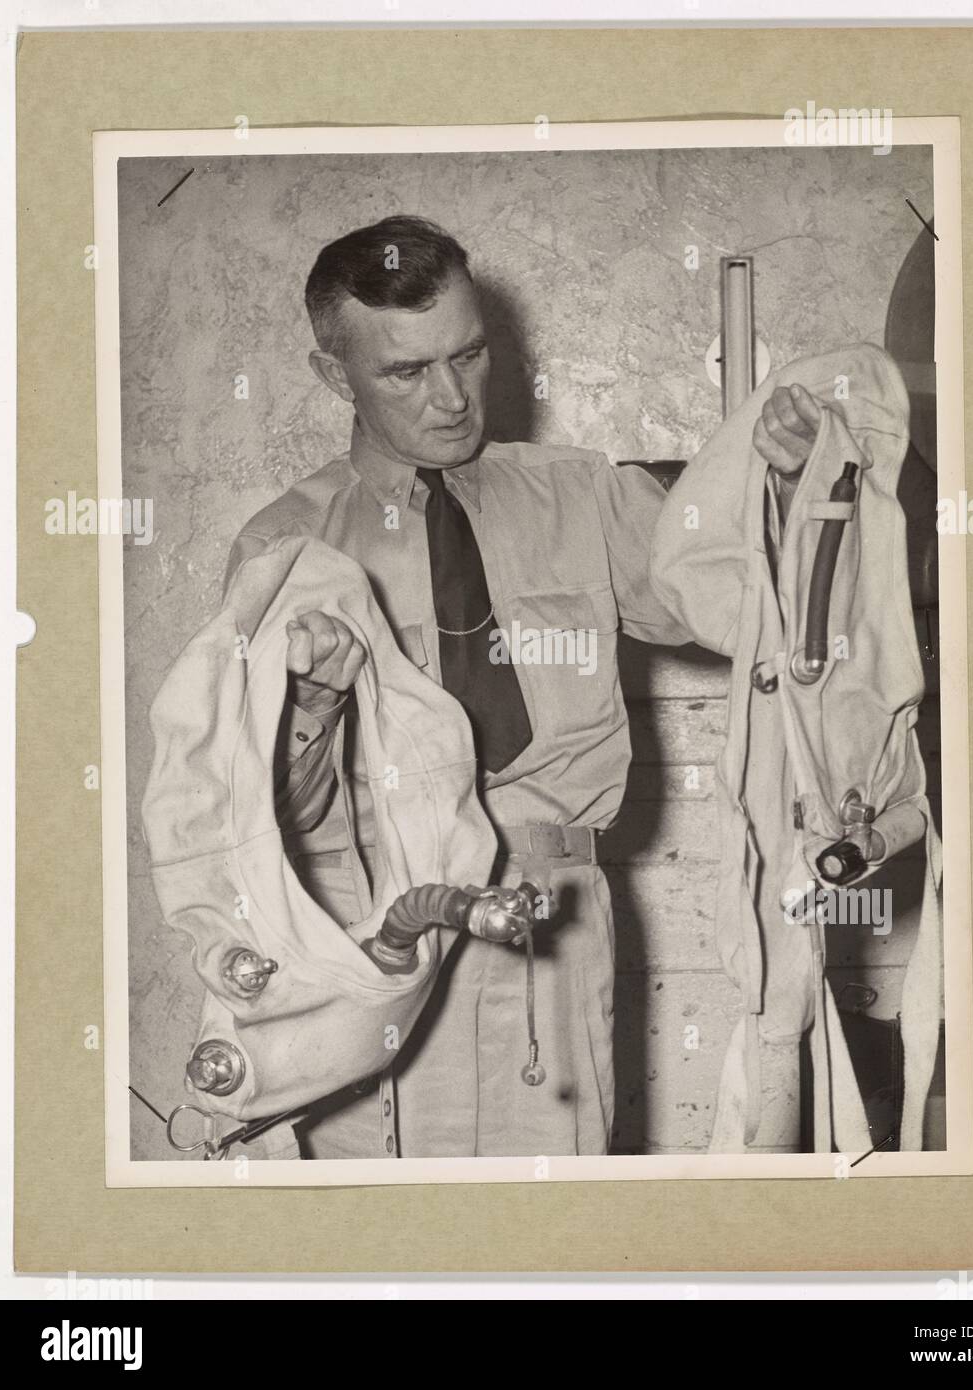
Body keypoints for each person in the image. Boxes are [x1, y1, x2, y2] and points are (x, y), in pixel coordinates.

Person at [224, 215, 819, 1158]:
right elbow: (262, 816)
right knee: (390, 1242)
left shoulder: (586, 493)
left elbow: (744, 602)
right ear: (334, 376)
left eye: (469, 355)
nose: (454, 398)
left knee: (552, 1234)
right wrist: (313, 705)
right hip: (374, 929)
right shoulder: (284, 547)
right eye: (407, 372)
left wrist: (792, 486)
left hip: (553, 916)